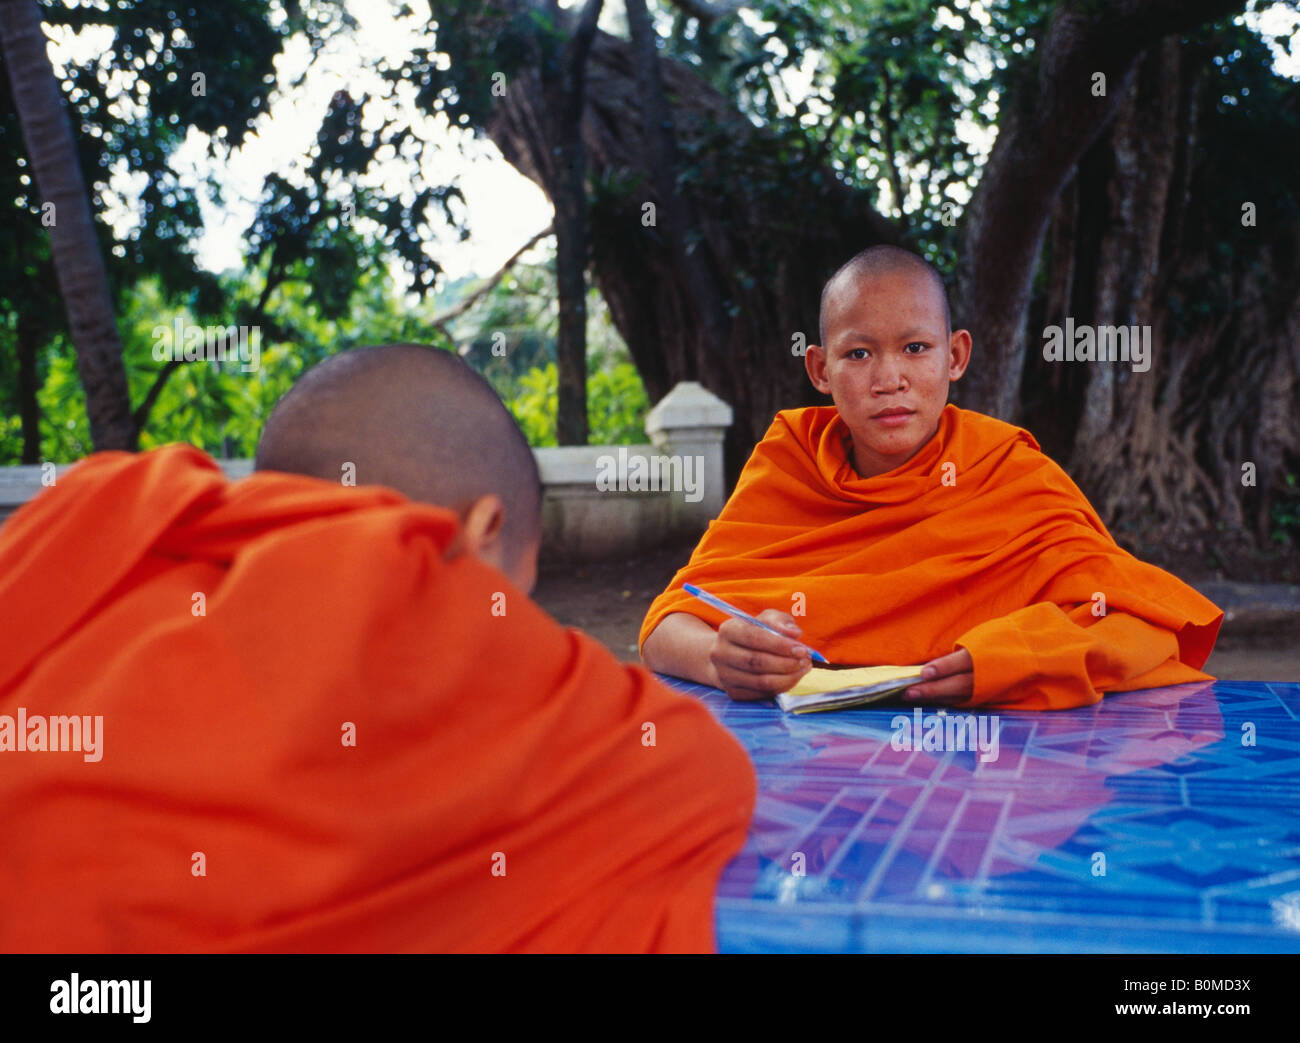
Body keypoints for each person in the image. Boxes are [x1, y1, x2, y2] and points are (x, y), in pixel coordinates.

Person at [0, 344, 755, 953]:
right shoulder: (421, 596)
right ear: (483, 530)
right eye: (513, 602)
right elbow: (700, 777)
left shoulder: (92, 518)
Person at [640, 246, 1222, 710]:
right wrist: (723, 657)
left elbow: (1145, 622)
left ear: (956, 356)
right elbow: (668, 623)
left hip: (994, 780)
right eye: (859, 355)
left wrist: (1010, 658)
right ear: (820, 369)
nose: (889, 379)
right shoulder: (791, 463)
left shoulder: (1006, 471)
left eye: (915, 348)